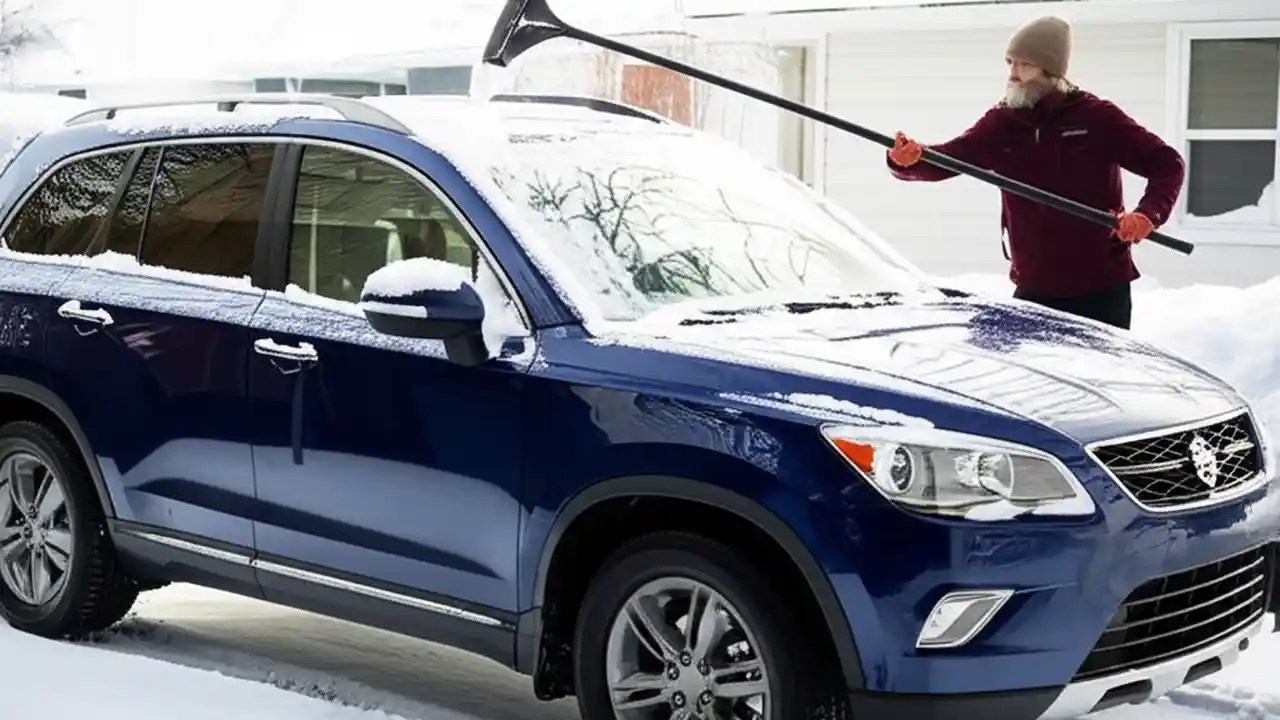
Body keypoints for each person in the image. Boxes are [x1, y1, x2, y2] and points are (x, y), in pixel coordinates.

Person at [885, 15, 1186, 330]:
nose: (1013, 74)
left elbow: (1166, 163)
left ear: (1050, 71)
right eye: (1010, 63)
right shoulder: (1003, 123)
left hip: (1101, 289)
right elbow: (950, 158)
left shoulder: (1096, 118)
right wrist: (908, 160)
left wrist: (1147, 215)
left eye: (1024, 65)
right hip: (1035, 289)